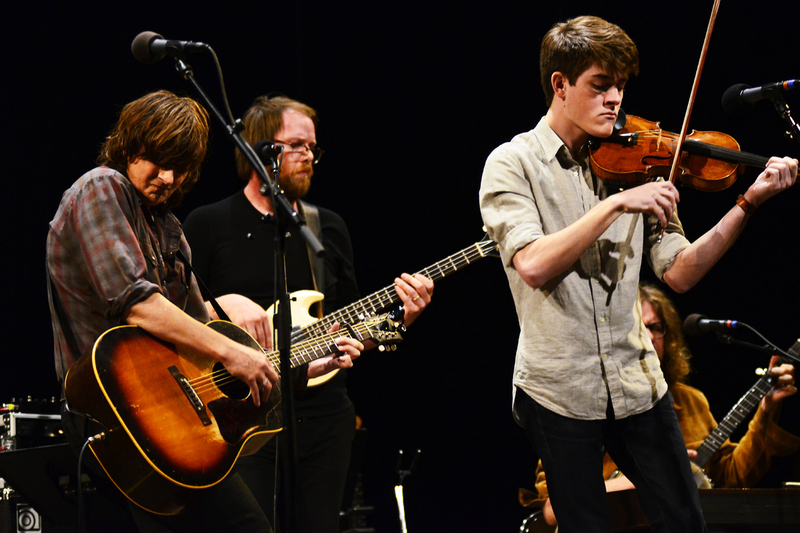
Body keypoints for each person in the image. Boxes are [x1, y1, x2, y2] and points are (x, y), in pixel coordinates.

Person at [478, 15, 798, 533]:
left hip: (636, 382)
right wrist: (617, 205)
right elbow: (533, 264)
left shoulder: (638, 161)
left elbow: (681, 272)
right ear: (560, 85)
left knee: (685, 520)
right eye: (600, 86)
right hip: (559, 389)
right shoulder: (513, 163)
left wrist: (747, 202)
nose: (615, 101)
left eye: (621, 87)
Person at [46, 90, 363, 533]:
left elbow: (207, 338)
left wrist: (300, 367)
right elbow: (136, 303)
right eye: (157, 160)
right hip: (115, 422)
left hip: (179, 428)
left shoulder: (170, 227)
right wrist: (233, 353)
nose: (167, 177)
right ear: (128, 146)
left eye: (180, 168)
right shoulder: (102, 187)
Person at [182, 94, 433, 533]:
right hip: (243, 417)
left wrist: (402, 320)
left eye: (312, 147)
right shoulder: (208, 223)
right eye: (296, 145)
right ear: (260, 150)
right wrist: (224, 306)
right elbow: (179, 311)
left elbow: (352, 326)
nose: (309, 157)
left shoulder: (326, 227)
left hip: (323, 418)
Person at [531, 283, 800, 527]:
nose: (647, 337)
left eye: (655, 327)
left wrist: (766, 410)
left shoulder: (690, 400)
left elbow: (730, 477)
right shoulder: (577, 407)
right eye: (636, 327)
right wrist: (662, 473)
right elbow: (553, 509)